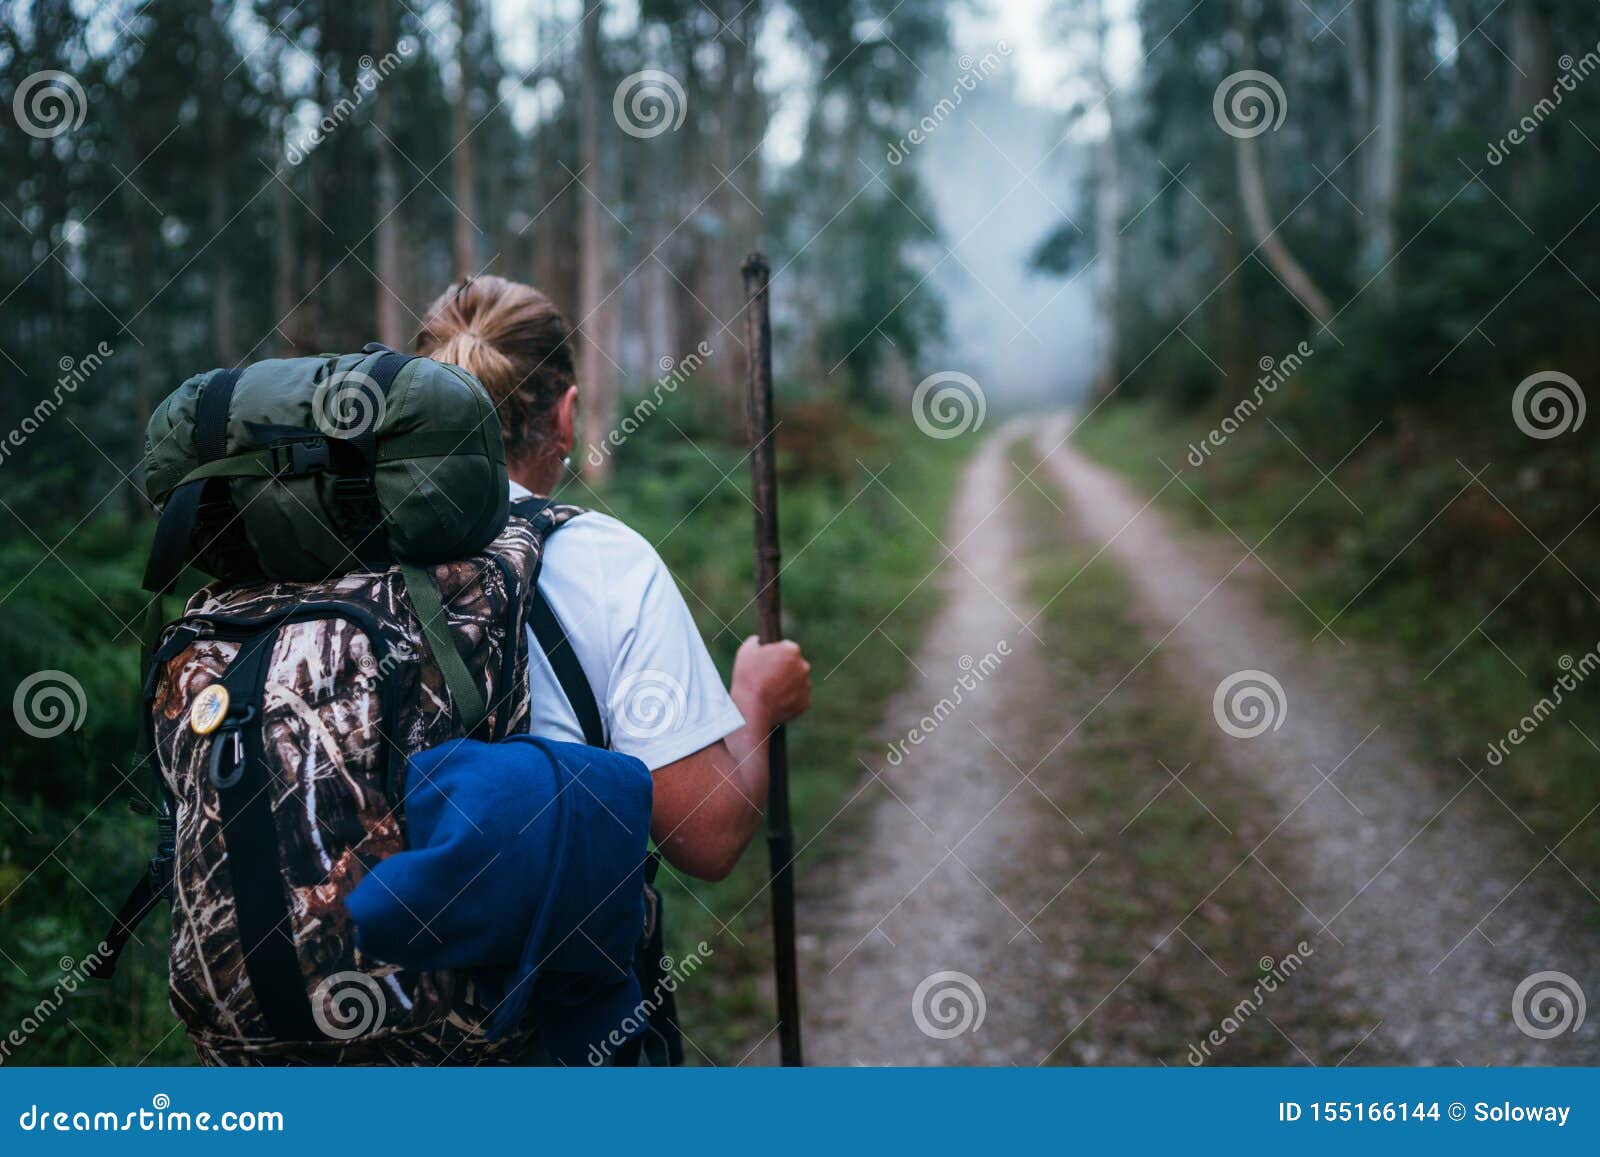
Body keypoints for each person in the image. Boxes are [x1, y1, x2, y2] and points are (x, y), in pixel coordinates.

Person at [414, 274, 812, 883]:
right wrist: (756, 701)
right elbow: (709, 835)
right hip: (546, 969)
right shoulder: (605, 562)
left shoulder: (347, 551)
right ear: (566, 416)